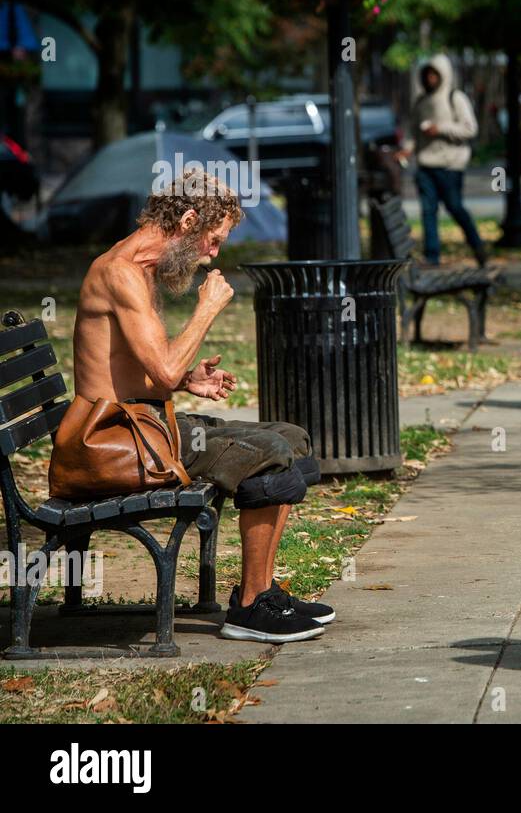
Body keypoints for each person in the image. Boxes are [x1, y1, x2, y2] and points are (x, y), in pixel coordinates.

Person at [54, 168, 332, 644]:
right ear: (187, 222)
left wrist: (186, 379)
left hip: (141, 430)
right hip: (115, 446)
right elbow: (158, 371)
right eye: (214, 240)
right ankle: (250, 608)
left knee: (291, 437)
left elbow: (137, 370)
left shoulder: (140, 270)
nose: (214, 254)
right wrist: (206, 310)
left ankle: (260, 591)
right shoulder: (120, 272)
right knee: (269, 451)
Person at [401, 55, 488, 267]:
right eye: (427, 74)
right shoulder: (421, 102)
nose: (430, 78)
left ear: (443, 75)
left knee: (455, 207)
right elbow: (414, 133)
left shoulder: (455, 98)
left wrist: (440, 129)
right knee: (428, 211)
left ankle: (477, 246)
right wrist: (406, 150)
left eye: (434, 74)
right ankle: (432, 256)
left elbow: (470, 129)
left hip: (450, 165)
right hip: (425, 166)